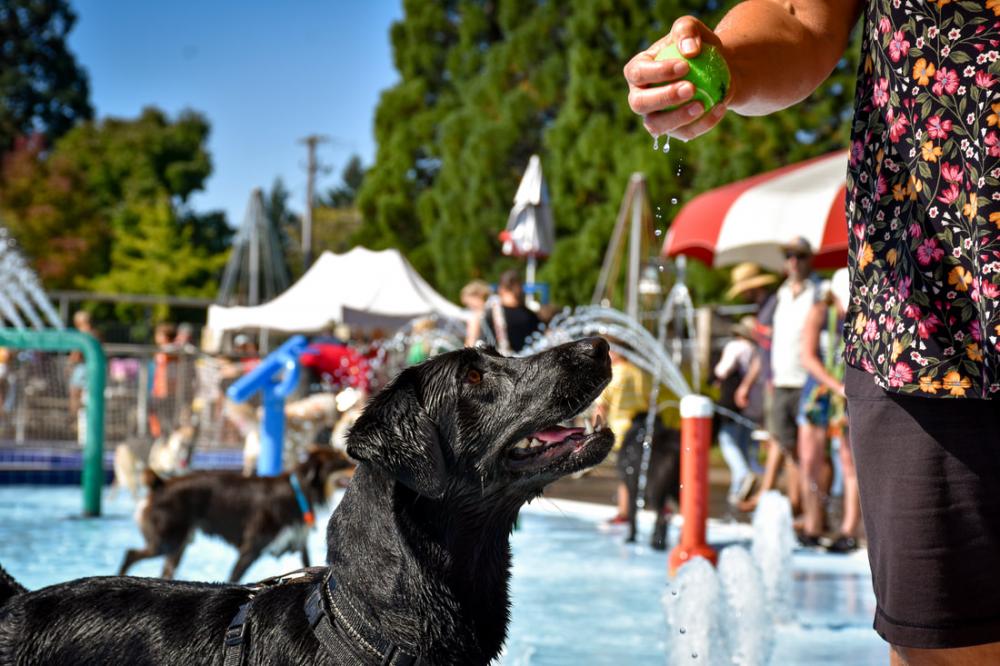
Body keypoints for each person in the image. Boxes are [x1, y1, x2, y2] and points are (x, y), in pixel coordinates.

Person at [625, 4, 1000, 661]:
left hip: (905, 341)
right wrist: (726, 63)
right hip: (930, 330)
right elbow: (798, 17)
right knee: (949, 647)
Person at [744, 238, 823, 517]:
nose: (793, 261)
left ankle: (810, 511)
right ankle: (795, 507)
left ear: (809, 258)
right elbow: (765, 340)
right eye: (789, 255)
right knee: (787, 448)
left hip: (808, 381)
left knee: (809, 453)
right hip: (781, 380)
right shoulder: (781, 293)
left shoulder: (819, 291)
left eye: (799, 255)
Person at [799, 267, 860, 553]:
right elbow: (807, 357)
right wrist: (834, 385)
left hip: (846, 394)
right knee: (810, 460)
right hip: (818, 392)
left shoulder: (859, 314)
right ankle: (813, 525)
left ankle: (848, 529)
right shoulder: (820, 314)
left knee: (849, 462)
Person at [712, 316, 763, 509]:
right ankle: (736, 494)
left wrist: (715, 378)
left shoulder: (735, 346)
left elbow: (722, 370)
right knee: (743, 444)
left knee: (727, 441)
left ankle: (742, 475)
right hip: (749, 402)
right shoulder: (756, 351)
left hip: (731, 399)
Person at [479, 270, 541, 354]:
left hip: (500, 363)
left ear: (501, 289)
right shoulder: (530, 315)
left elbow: (483, 346)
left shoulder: (491, 315)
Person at [460, 280, 492, 347]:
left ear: (478, 296)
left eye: (470, 304)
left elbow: (469, 345)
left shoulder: (476, 317)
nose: (469, 307)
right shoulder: (495, 308)